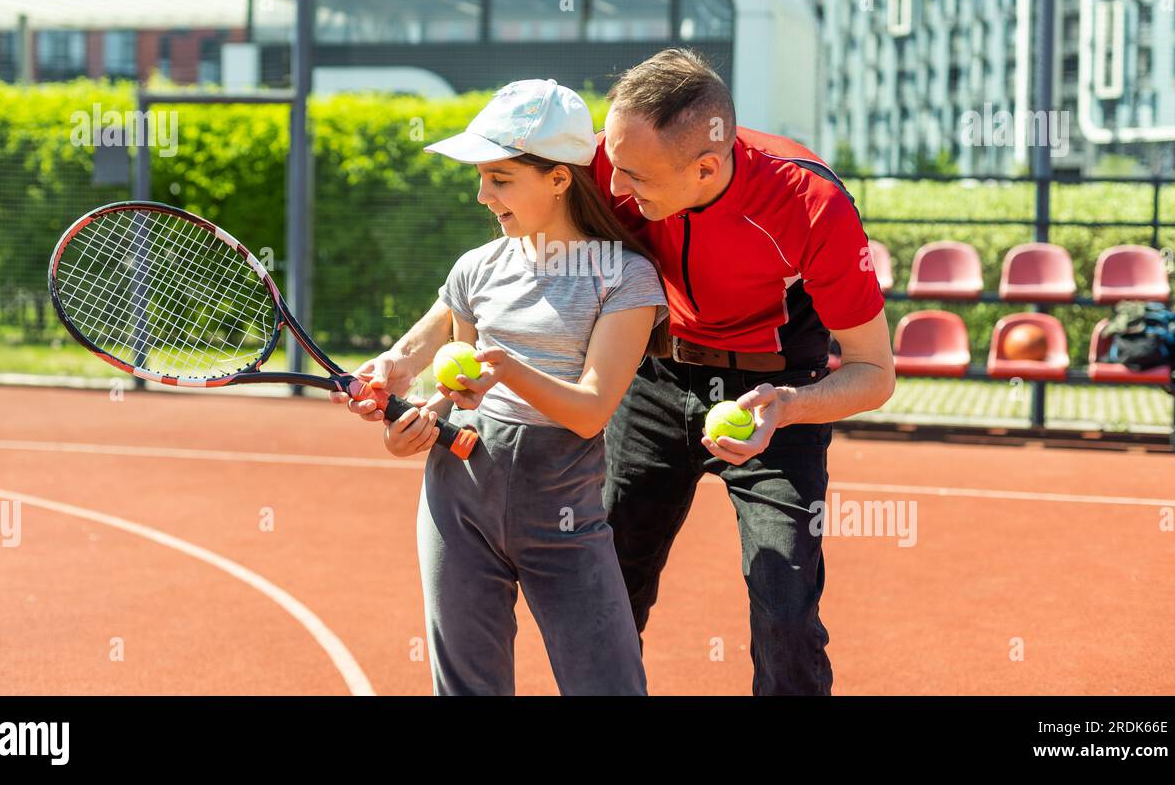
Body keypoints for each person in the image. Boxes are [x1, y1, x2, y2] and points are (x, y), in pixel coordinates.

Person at [342, 50, 896, 696]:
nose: (615, 189)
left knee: (786, 607)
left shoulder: (811, 205)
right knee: (610, 592)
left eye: (634, 177)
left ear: (706, 166)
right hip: (655, 382)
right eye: (610, 164)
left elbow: (872, 373)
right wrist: (407, 360)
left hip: (772, 390)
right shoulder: (603, 161)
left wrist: (788, 409)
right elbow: (488, 273)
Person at [342, 79, 669, 696]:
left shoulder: (626, 277)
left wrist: (509, 368)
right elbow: (451, 386)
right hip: (456, 496)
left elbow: (592, 411)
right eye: (481, 178)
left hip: (562, 512)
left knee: (610, 685)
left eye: (500, 178)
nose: (481, 194)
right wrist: (411, 423)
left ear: (559, 178)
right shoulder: (475, 267)